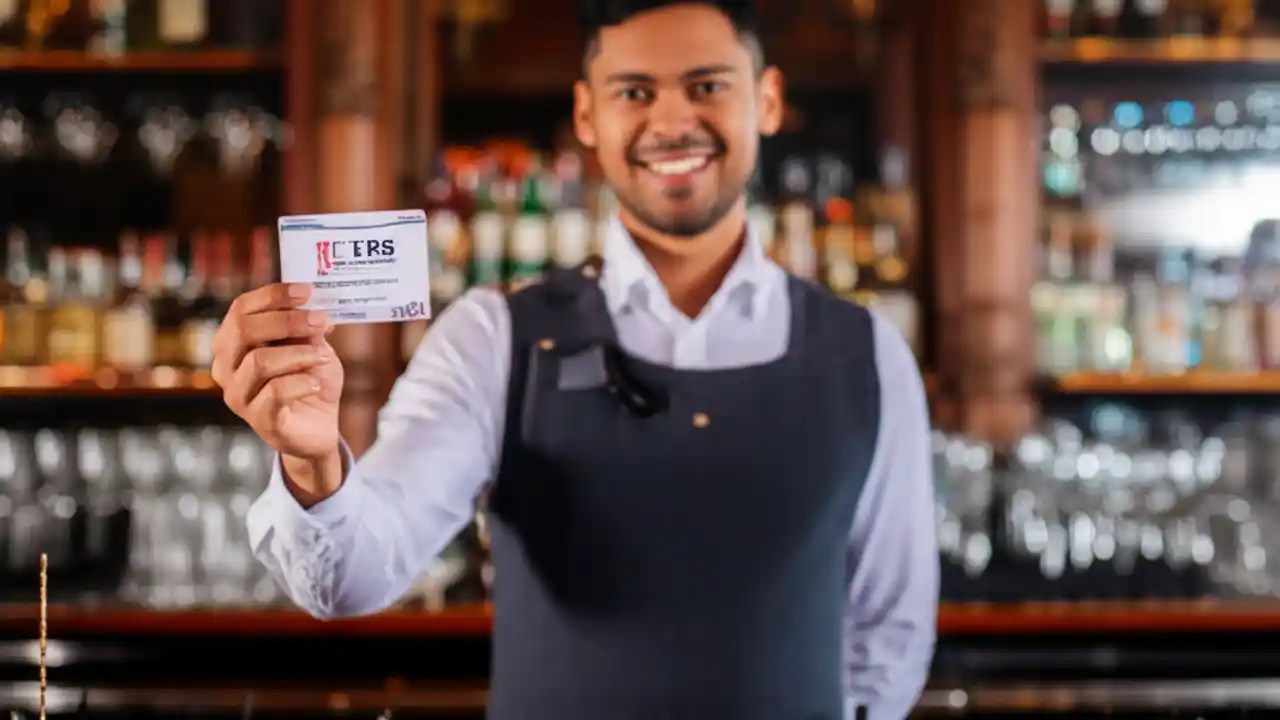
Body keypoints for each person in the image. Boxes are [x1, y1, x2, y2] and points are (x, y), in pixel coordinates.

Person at [213, 1, 938, 718]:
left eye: (708, 85)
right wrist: (313, 462)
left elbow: (891, 635)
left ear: (768, 101)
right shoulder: (493, 336)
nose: (672, 121)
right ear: (588, 116)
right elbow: (351, 579)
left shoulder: (868, 352)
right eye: (635, 93)